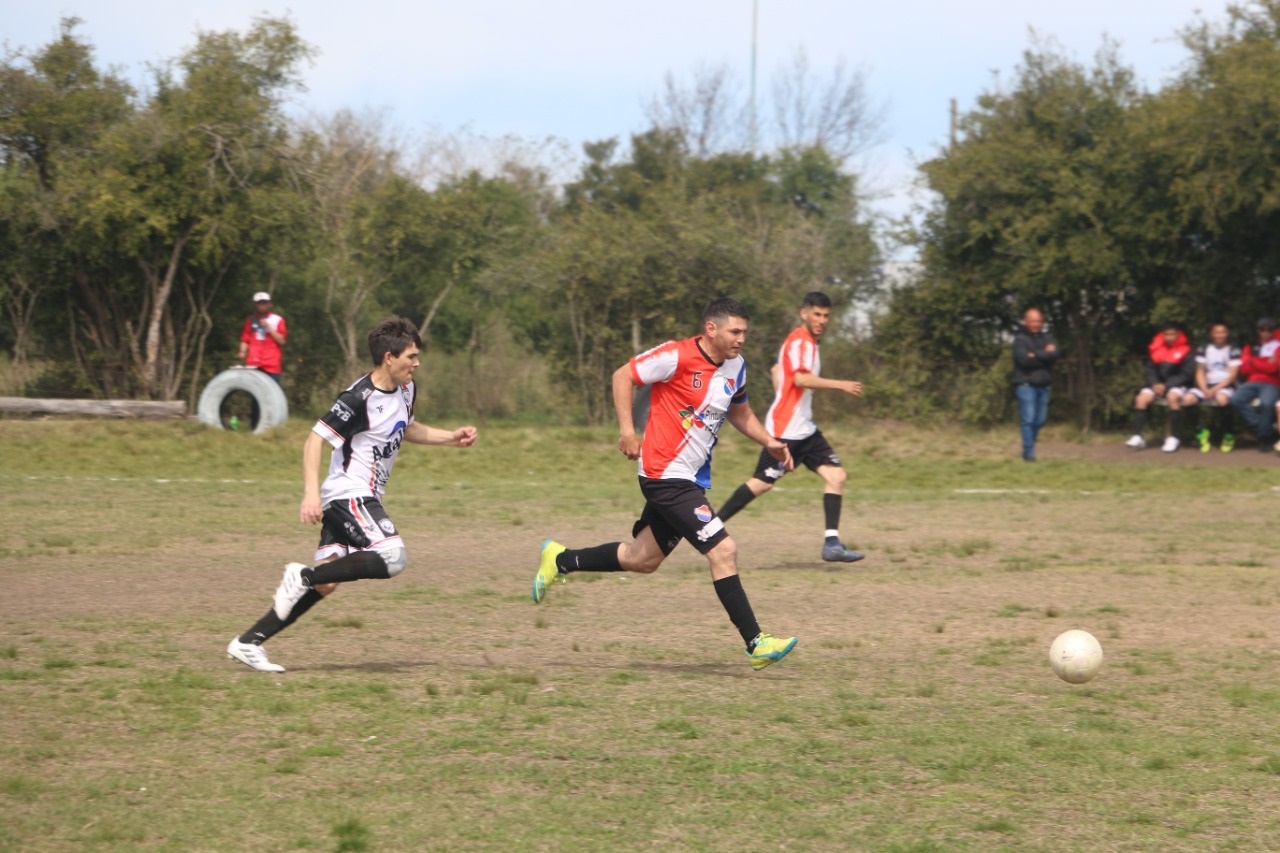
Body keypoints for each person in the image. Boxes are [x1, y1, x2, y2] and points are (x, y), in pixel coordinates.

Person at [531, 298, 799, 671]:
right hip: (664, 475)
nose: (741, 339)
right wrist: (627, 431)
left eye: (744, 332)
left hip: (691, 478)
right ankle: (756, 642)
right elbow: (622, 376)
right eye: (735, 331)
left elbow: (740, 412)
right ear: (711, 329)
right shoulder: (675, 356)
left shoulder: (737, 367)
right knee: (724, 551)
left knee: (643, 559)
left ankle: (560, 559)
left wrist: (768, 440)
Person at [226, 316, 478, 672]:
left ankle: (249, 642)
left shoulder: (406, 390)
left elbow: (407, 427)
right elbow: (315, 439)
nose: (417, 363)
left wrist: (451, 437)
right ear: (388, 358)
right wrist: (310, 494)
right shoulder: (358, 397)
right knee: (393, 557)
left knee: (327, 582)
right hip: (349, 494)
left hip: (358, 496)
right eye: (411, 356)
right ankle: (301, 577)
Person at [715, 291, 866, 560]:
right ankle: (710, 527)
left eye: (826, 315)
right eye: (816, 314)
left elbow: (776, 370)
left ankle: (832, 545)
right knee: (761, 484)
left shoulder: (806, 342)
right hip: (785, 431)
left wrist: (782, 396)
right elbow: (800, 379)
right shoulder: (801, 342)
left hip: (804, 428)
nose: (822, 320)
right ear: (803, 313)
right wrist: (840, 384)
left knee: (836, 477)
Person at [1124, 324, 1193, 452]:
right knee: (1141, 399)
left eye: (1172, 334)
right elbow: (1150, 371)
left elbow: (1186, 374)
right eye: (1167, 334)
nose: (1169, 337)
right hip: (1156, 385)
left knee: (1173, 398)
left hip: (1177, 385)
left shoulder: (1186, 351)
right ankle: (1137, 436)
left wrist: (1166, 385)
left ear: (1178, 335)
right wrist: (1154, 383)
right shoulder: (1156, 349)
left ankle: (1174, 437)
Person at [1010, 307, 1059, 462]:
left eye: (1039, 321)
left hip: (1044, 386)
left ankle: (1029, 447)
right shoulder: (1020, 339)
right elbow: (1023, 360)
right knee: (1028, 419)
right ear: (1026, 322)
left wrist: (1035, 354)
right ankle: (1029, 453)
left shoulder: (1047, 337)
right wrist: (1045, 354)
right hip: (1026, 385)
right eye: (1033, 321)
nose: (1036, 324)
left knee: (1039, 421)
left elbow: (1055, 354)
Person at [1183, 322, 1241, 453]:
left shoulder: (1233, 349)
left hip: (1225, 384)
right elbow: (1199, 371)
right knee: (1187, 399)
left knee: (1222, 399)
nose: (1220, 335)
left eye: (1223, 332)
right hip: (1206, 384)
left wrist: (1214, 390)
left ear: (1227, 333)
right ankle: (1200, 432)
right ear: (1212, 334)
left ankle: (1229, 434)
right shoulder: (1204, 348)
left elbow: (1232, 376)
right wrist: (1204, 389)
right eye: (1217, 332)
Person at [1230, 317, 1280, 451]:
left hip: (1272, 382)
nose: (1265, 332)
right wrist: (1264, 362)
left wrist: (1254, 362)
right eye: (1262, 329)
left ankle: (1264, 438)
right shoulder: (1250, 346)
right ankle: (1266, 428)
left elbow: (1275, 368)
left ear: (1273, 330)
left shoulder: (1278, 345)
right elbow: (1244, 368)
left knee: (1266, 403)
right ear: (1257, 330)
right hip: (1252, 381)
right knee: (1236, 399)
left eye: (1269, 329)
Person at [239, 291, 287, 381]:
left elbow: (282, 341)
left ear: (269, 304)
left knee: (272, 394)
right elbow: (245, 339)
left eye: (264, 303)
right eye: (259, 303)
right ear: (255, 305)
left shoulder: (278, 320)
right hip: (253, 365)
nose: (262, 305)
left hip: (271, 366)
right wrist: (242, 351)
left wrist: (268, 327)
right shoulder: (250, 320)